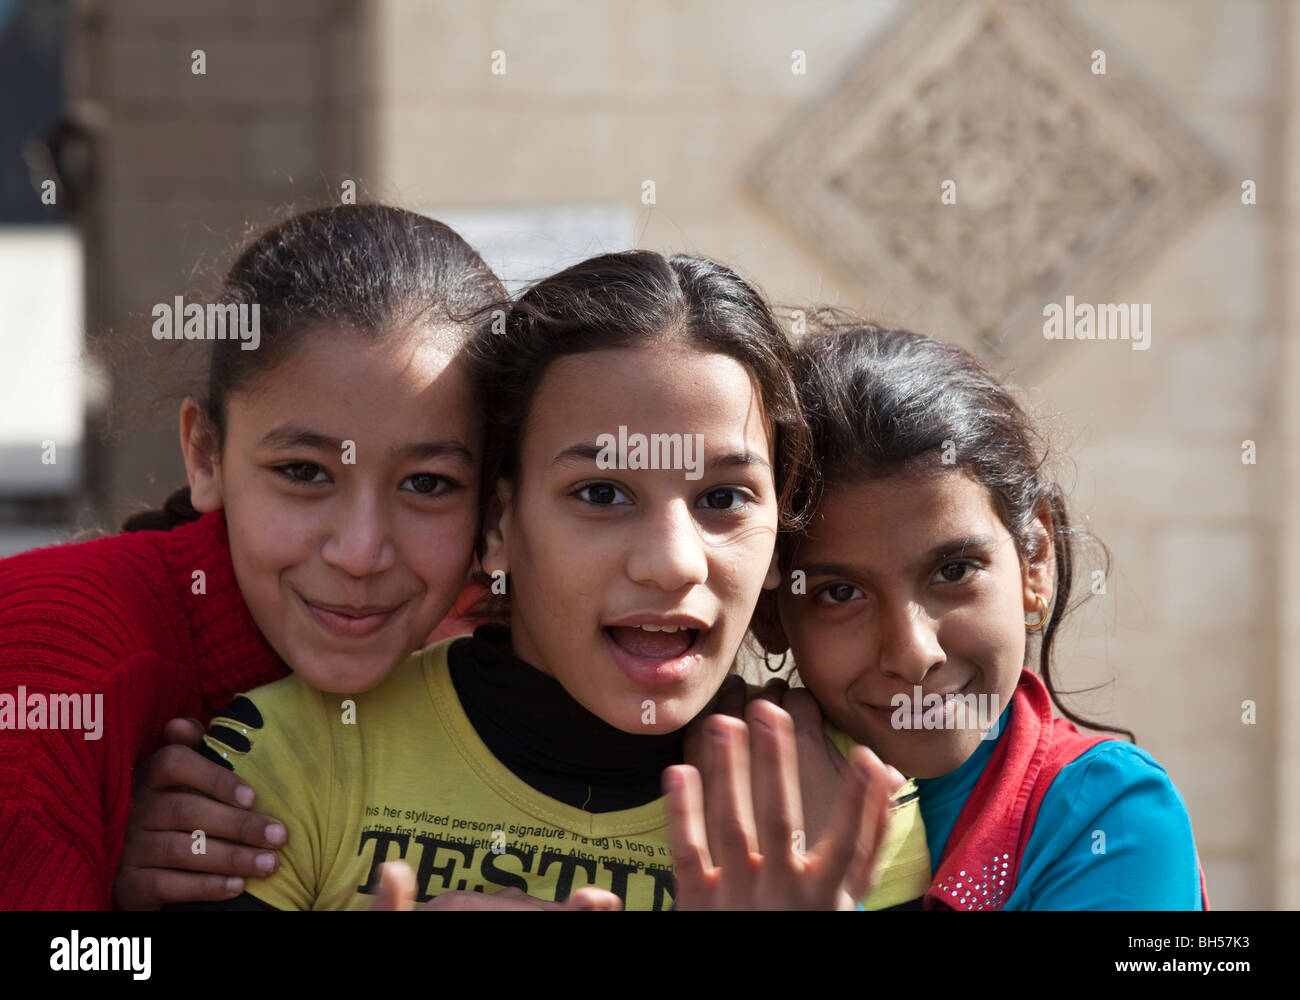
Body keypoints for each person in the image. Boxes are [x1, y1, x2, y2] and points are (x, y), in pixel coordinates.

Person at [181, 252, 931, 910]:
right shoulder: (290, 760)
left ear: (780, 534)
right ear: (499, 522)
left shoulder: (851, 806)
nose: (672, 562)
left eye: (723, 499)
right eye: (601, 493)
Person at [0, 203, 503, 909]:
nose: (360, 553)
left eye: (428, 484)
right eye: (303, 471)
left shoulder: (502, 668)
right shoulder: (51, 663)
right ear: (205, 455)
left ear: (495, 501)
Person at [751, 315, 1209, 910]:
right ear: (771, 613)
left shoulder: (1107, 819)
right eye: (840, 594)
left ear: (1034, 560)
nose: (914, 655)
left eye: (954, 571)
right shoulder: (698, 795)